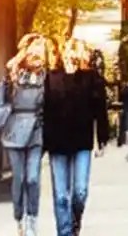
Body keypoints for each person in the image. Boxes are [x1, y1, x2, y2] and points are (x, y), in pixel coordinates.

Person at [0, 33, 58, 236]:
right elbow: (0, 101)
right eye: (34, 49)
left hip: (37, 130)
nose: (38, 54)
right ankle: (20, 218)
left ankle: (32, 217)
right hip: (14, 129)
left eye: (41, 50)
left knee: (33, 178)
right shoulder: (13, 77)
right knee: (19, 177)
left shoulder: (48, 77)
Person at [45, 38, 110, 236]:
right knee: (61, 195)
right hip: (57, 141)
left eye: (77, 51)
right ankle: (65, 232)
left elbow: (100, 110)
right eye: (69, 50)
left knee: (80, 192)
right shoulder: (52, 78)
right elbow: (45, 111)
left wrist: (102, 139)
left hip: (82, 139)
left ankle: (74, 222)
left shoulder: (91, 79)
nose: (71, 55)